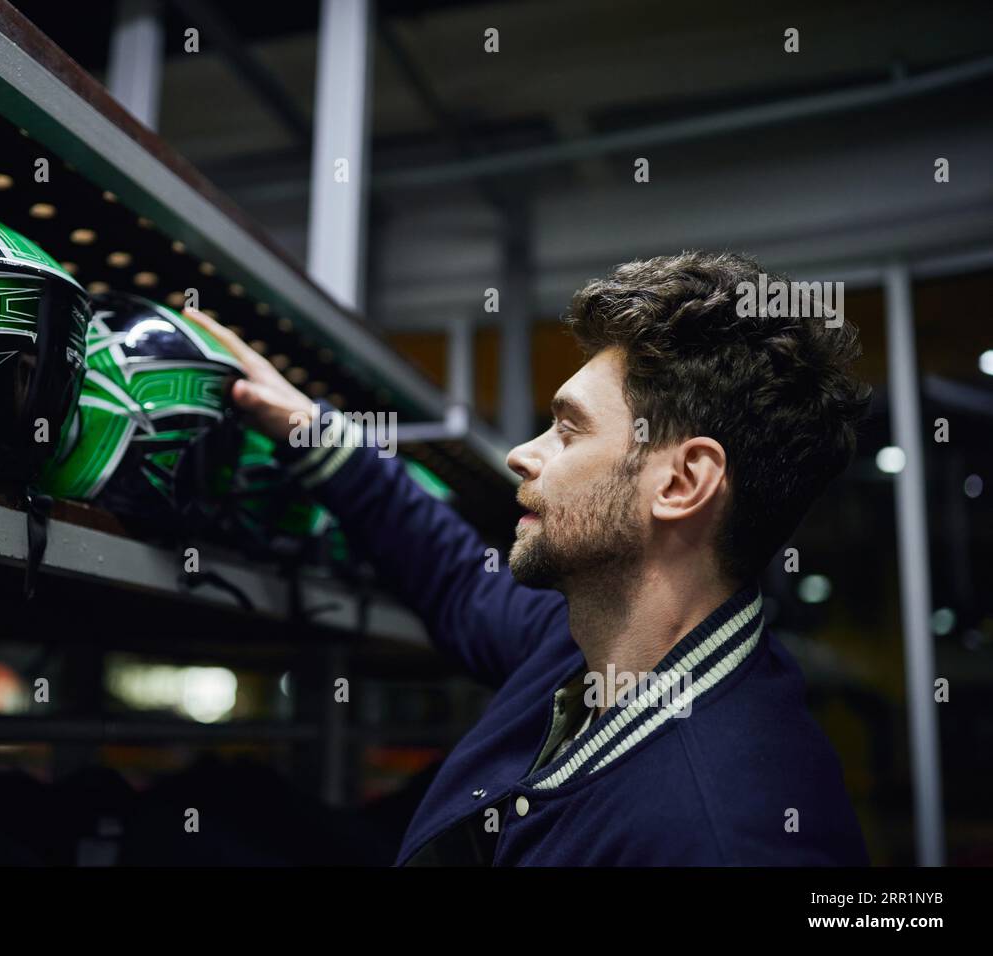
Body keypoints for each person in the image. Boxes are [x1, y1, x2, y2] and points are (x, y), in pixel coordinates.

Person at [185, 250, 872, 866]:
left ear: (683, 483)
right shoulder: (586, 648)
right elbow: (458, 582)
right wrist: (313, 432)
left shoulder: (721, 836)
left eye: (568, 429)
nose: (524, 453)